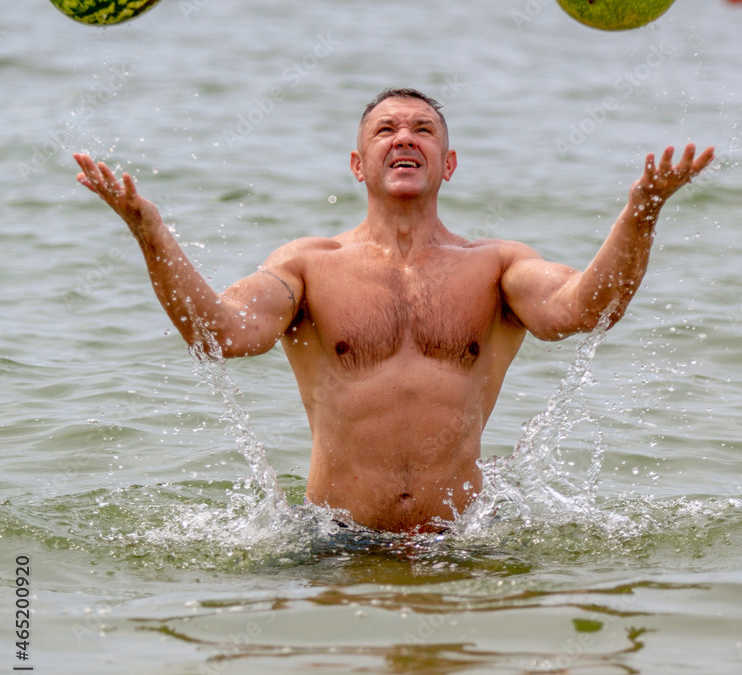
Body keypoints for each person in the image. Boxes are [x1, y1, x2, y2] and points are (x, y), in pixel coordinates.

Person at [73, 88, 714, 534]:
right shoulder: (308, 266)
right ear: (358, 164)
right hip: (333, 541)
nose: (404, 137)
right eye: (386, 130)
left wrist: (642, 213)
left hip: (462, 541)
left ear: (448, 164)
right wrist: (148, 231)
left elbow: (585, 309)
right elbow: (218, 330)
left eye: (422, 130)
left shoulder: (497, 266)